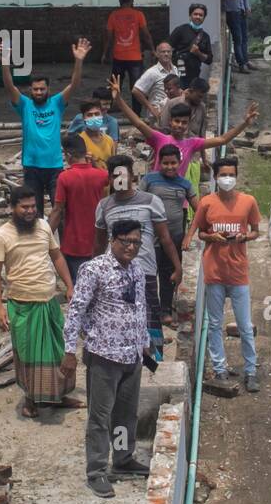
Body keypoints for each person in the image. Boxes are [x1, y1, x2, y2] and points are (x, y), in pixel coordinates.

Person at [63, 219, 154, 498]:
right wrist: (69, 351)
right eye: (125, 241)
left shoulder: (137, 270)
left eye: (136, 242)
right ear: (113, 240)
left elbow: (140, 308)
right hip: (103, 355)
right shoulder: (94, 269)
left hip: (131, 356)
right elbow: (76, 309)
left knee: (126, 415)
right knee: (100, 417)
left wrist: (144, 343)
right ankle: (97, 471)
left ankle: (123, 458)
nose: (131, 247)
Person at [0, 187, 78, 419]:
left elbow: (56, 256)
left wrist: (70, 286)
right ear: (12, 208)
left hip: (49, 301)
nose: (30, 211)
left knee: (58, 351)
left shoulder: (44, 226)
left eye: (33, 206)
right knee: (28, 356)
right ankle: (30, 400)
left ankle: (60, 396)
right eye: (24, 207)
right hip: (22, 305)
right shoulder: (0, 236)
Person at [184, 155, 261, 391]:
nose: (227, 179)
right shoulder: (207, 203)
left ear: (236, 176)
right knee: (215, 324)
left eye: (231, 175)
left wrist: (244, 237)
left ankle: (251, 371)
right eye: (223, 175)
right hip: (214, 272)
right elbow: (200, 232)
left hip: (238, 272)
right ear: (215, 177)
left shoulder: (248, 201)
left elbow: (256, 231)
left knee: (245, 326)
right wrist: (211, 237)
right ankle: (220, 369)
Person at [95, 156, 179, 361]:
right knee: (118, 320)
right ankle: (123, 361)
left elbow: (165, 238)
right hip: (113, 275)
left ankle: (153, 364)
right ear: (110, 178)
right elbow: (99, 243)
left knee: (149, 319)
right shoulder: (104, 206)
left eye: (123, 175)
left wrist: (177, 267)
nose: (120, 179)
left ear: (132, 176)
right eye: (115, 176)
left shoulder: (151, 201)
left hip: (144, 271)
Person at [1, 38, 89, 210]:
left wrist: (79, 61)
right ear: (30, 90)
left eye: (42, 89)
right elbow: (9, 86)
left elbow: (74, 84)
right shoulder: (25, 105)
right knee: (34, 210)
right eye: (35, 89)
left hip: (54, 166)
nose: (39, 92)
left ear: (49, 89)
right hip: (31, 166)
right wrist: (5, 63)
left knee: (59, 208)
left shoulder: (57, 103)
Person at [111, 75, 258, 173]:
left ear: (188, 124)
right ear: (170, 121)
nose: (180, 125)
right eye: (177, 121)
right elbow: (137, 122)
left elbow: (222, 139)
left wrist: (244, 123)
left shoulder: (192, 143)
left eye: (184, 123)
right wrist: (118, 100)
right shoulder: (160, 138)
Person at [141, 144, 198, 322]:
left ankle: (165, 310)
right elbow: (138, 201)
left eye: (173, 163)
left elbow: (199, 210)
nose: (169, 167)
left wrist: (189, 235)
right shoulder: (149, 180)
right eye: (165, 163)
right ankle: (147, 311)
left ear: (180, 163)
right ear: (160, 162)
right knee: (148, 274)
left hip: (174, 238)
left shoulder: (185, 184)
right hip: (151, 238)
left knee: (169, 275)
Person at [49, 134, 109, 281]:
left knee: (77, 285)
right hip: (98, 242)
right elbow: (119, 179)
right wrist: (94, 163)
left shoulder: (65, 177)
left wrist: (45, 235)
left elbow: (57, 210)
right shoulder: (101, 175)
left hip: (73, 244)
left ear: (69, 155)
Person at [104, 0, 154, 95]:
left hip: (118, 56)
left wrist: (105, 53)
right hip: (135, 57)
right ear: (131, 0)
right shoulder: (138, 14)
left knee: (115, 86)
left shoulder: (113, 15)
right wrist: (153, 49)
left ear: (120, 0)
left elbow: (109, 38)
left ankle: (111, 103)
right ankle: (136, 107)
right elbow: (146, 35)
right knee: (137, 88)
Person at [168, 3, 214, 83]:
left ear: (204, 18)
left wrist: (198, 53)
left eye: (201, 15)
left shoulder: (205, 37)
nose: (198, 17)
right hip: (177, 74)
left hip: (194, 76)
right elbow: (167, 48)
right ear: (190, 16)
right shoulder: (180, 30)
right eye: (195, 14)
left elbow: (209, 60)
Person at [132, 41, 177, 118]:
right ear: (157, 54)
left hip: (173, 113)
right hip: (157, 115)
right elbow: (135, 91)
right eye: (163, 52)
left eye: (168, 51)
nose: (166, 54)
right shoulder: (152, 72)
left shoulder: (175, 69)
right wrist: (151, 108)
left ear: (172, 53)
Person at [221, 0, 251, 72]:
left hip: (242, 12)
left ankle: (246, 61)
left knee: (244, 38)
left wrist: (247, 8)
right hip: (232, 13)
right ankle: (241, 64)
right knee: (238, 38)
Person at [74, 99, 117, 170]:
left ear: (102, 115)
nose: (94, 117)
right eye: (89, 115)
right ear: (83, 118)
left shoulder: (109, 140)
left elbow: (113, 165)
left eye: (97, 114)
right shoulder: (79, 141)